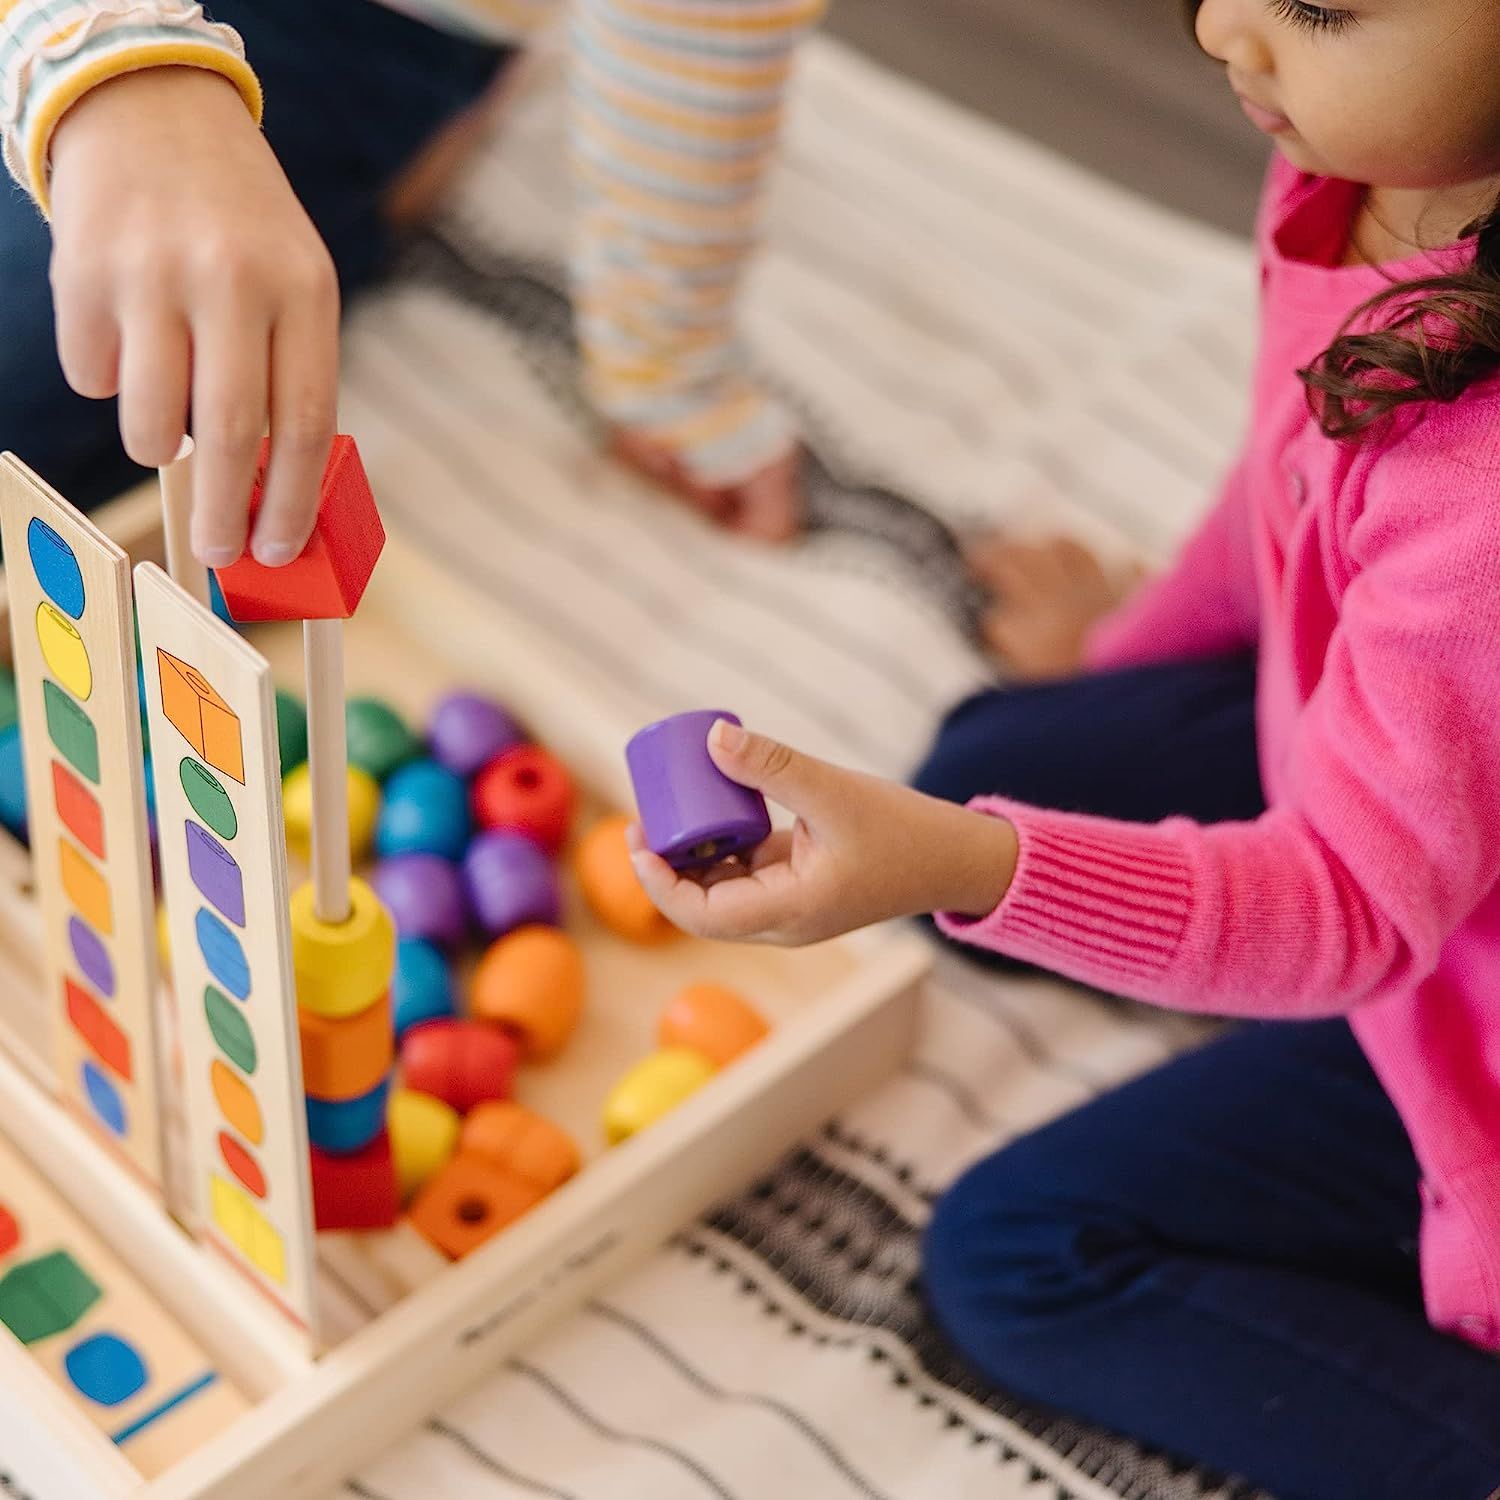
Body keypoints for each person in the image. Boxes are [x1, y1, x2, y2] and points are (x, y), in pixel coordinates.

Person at [627, 1, 1500, 1496]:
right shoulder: (1370, 172)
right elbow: (1290, 476)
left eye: (1322, 6)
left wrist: (969, 866)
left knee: (1021, 1256)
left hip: (1449, 994)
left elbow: (1352, 914)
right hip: (1390, 775)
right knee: (988, 761)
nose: (1228, 26)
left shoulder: (1477, 485)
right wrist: (1122, 667)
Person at [0, 0, 813, 561]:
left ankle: (397, 165)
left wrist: (669, 377)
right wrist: (95, 49)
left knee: (81, 371)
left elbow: (705, 43)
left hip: (362, 30)